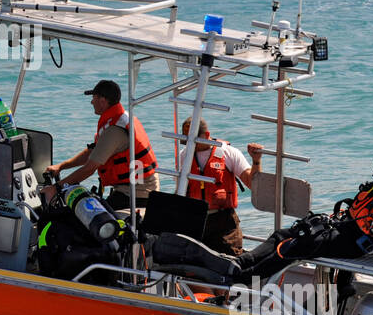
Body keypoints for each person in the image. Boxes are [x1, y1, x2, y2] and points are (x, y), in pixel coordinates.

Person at [219, 142, 373, 282]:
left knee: (296, 246)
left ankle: (244, 278)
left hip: (356, 243)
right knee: (284, 234)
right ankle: (243, 261)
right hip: (344, 229)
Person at [44, 79, 159, 211]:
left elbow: (89, 168)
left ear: (103, 101)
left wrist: (55, 188)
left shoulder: (114, 130)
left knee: (86, 218)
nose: (91, 102)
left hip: (136, 193)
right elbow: (94, 152)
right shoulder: (121, 119)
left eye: (94, 97)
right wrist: (61, 166)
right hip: (137, 186)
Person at [181, 118, 264, 255]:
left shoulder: (229, 153)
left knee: (230, 264)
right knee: (196, 267)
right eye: (187, 140)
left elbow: (253, 184)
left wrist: (256, 161)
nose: (191, 144)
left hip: (224, 224)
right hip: (196, 221)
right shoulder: (184, 156)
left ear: (207, 135)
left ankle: (254, 278)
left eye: (194, 139)